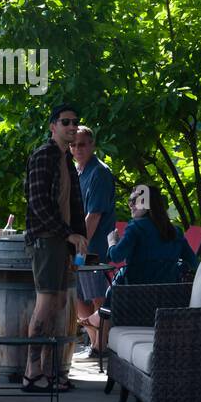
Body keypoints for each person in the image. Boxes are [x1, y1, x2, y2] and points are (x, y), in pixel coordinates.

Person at [82, 182, 198, 352]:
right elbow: (193, 263)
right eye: (130, 200)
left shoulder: (136, 228)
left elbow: (116, 256)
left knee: (111, 292)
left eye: (135, 199)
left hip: (133, 298)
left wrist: (112, 242)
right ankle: (95, 324)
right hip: (168, 299)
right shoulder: (175, 231)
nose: (130, 203)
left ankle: (98, 334)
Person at [21, 103, 88, 392]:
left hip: (61, 242)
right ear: (53, 127)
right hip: (47, 239)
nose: (72, 127)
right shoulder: (44, 155)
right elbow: (38, 203)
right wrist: (67, 234)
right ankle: (31, 373)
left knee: (59, 304)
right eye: (65, 122)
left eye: (75, 122)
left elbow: (73, 205)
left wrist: (78, 238)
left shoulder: (67, 160)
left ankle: (48, 371)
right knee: (46, 303)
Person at [71, 126, 116, 354]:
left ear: (92, 145)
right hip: (81, 248)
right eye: (73, 144)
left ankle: (102, 345)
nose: (77, 149)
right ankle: (94, 341)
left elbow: (94, 215)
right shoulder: (78, 171)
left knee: (97, 296)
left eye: (82, 144)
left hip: (93, 250)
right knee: (77, 294)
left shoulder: (99, 173)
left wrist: (77, 246)